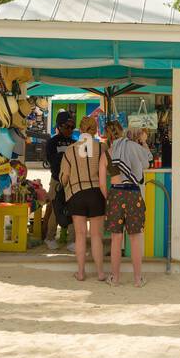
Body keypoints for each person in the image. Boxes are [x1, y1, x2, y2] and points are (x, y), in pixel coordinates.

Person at [58, 115, 107, 281]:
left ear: (80, 129)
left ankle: (80, 273)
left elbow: (64, 177)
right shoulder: (102, 147)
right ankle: (100, 273)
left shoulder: (70, 150)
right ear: (95, 129)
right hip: (96, 194)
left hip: (76, 194)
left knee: (80, 235)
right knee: (96, 236)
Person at [105, 121, 152, 286]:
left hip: (116, 194)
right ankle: (138, 279)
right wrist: (144, 143)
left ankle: (115, 278)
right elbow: (147, 163)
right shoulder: (135, 147)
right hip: (133, 193)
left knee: (116, 238)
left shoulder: (109, 151)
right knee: (135, 238)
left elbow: (105, 176)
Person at [43, 111, 77, 249]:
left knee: (73, 209)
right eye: (67, 126)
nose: (70, 130)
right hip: (57, 180)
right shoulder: (52, 142)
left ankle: (72, 240)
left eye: (72, 127)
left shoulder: (75, 143)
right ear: (59, 126)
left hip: (72, 182)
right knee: (55, 210)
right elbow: (52, 162)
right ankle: (49, 237)